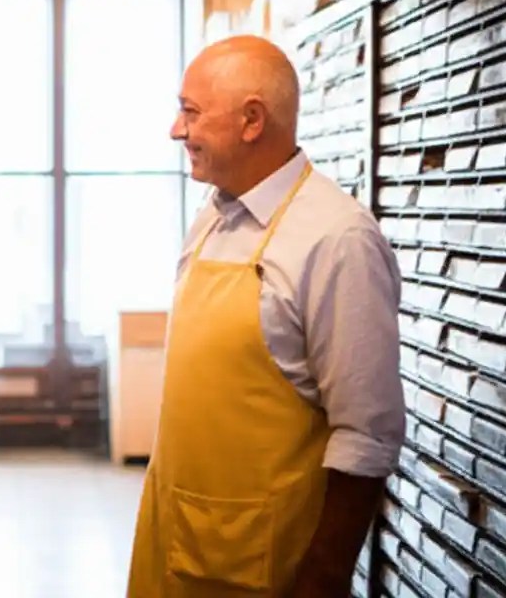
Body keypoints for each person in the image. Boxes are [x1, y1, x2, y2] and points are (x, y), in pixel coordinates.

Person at [127, 36, 406, 597]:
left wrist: (323, 577)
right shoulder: (214, 214)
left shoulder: (337, 239)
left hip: (259, 566)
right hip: (174, 538)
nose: (177, 130)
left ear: (252, 120)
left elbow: (368, 434)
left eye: (191, 112)